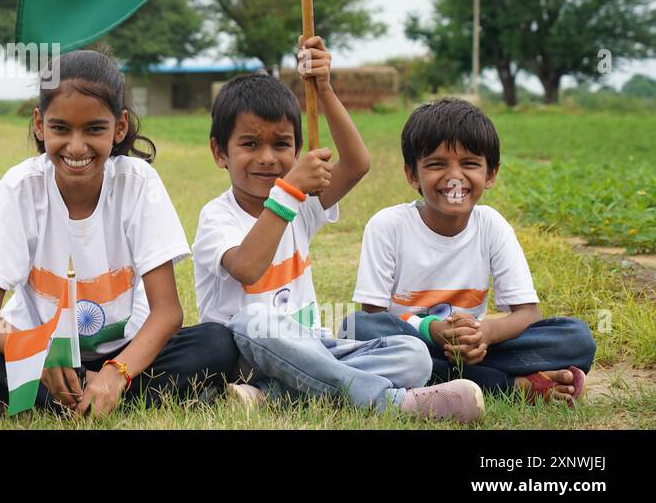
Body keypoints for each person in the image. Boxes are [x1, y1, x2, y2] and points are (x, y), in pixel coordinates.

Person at [0, 49, 235, 420]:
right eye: (61, 128)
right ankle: (81, 394)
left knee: (216, 343)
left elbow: (166, 312)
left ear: (119, 126)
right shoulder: (21, 188)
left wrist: (117, 373)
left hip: (125, 353)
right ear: (40, 124)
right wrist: (32, 353)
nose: (77, 147)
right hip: (40, 354)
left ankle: (25, 399)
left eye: (94, 129)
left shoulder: (138, 184)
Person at [192, 37, 485, 423]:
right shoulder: (219, 217)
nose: (267, 158)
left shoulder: (300, 204)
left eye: (282, 144)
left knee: (413, 355)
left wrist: (325, 89)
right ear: (220, 152)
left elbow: (356, 163)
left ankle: (273, 398)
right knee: (253, 320)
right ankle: (389, 402)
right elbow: (247, 268)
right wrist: (289, 191)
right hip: (249, 353)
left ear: (297, 151)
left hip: (316, 350)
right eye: (249, 144)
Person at [343, 97, 595, 405]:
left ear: (490, 174)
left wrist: (485, 334)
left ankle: (440, 381)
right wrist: (431, 329)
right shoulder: (388, 225)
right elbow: (374, 317)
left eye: (470, 163)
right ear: (412, 175)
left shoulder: (492, 225)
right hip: (413, 345)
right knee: (356, 329)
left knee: (576, 338)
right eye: (436, 164)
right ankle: (509, 386)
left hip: (477, 350)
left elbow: (528, 313)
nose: (454, 176)